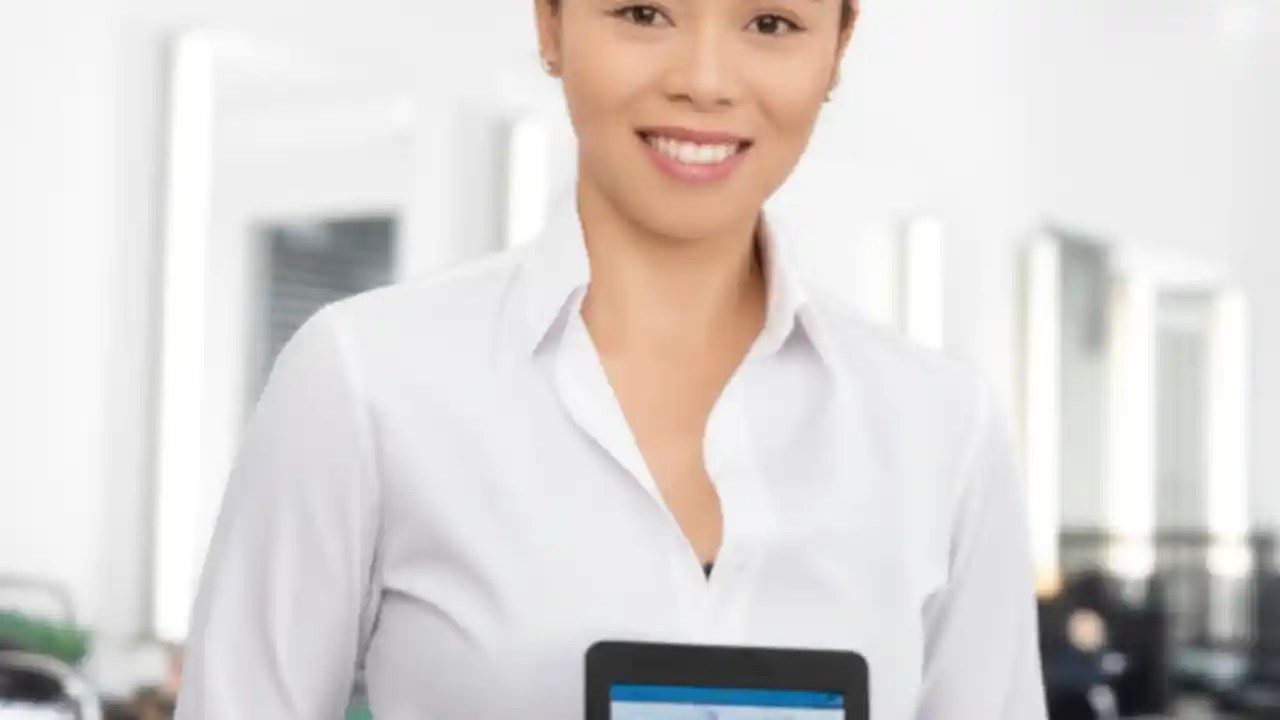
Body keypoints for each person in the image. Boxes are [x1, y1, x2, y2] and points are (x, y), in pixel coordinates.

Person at [176, 0, 1047, 717]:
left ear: (839, 47)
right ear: (550, 26)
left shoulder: (943, 430)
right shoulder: (367, 381)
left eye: (772, 24)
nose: (704, 81)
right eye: (644, 13)